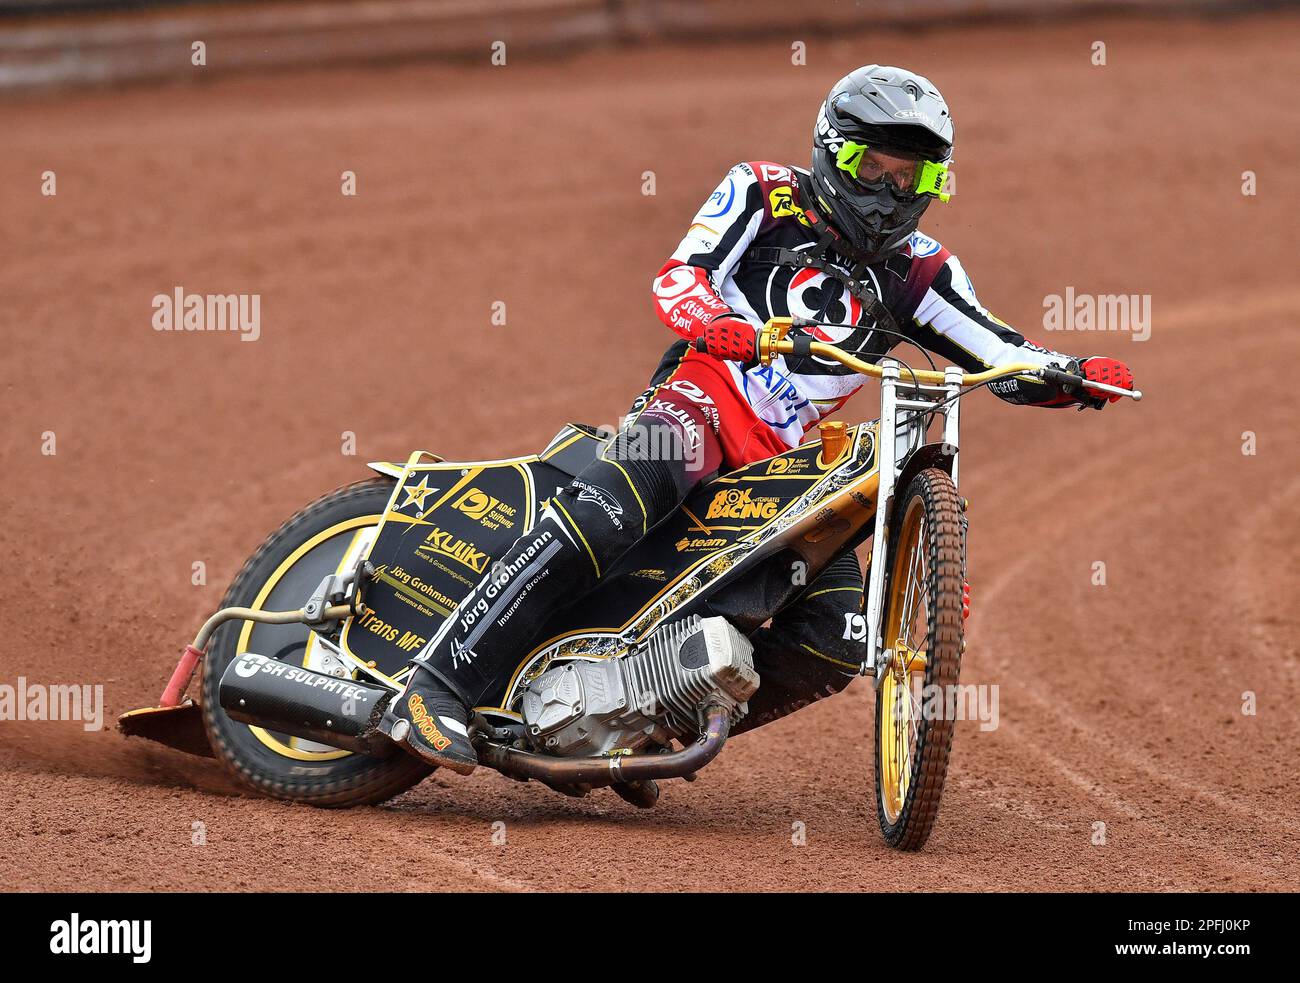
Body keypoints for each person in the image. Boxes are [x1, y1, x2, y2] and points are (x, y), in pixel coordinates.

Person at [389, 64, 1134, 773]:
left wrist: (1072, 375)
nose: (890, 189)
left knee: (839, 637)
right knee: (617, 500)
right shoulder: (761, 191)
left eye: (909, 176)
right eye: (875, 167)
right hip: (697, 398)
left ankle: (643, 728)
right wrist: (723, 326)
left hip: (782, 465)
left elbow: (998, 353)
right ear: (834, 152)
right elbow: (679, 276)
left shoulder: (924, 271)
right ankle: (435, 685)